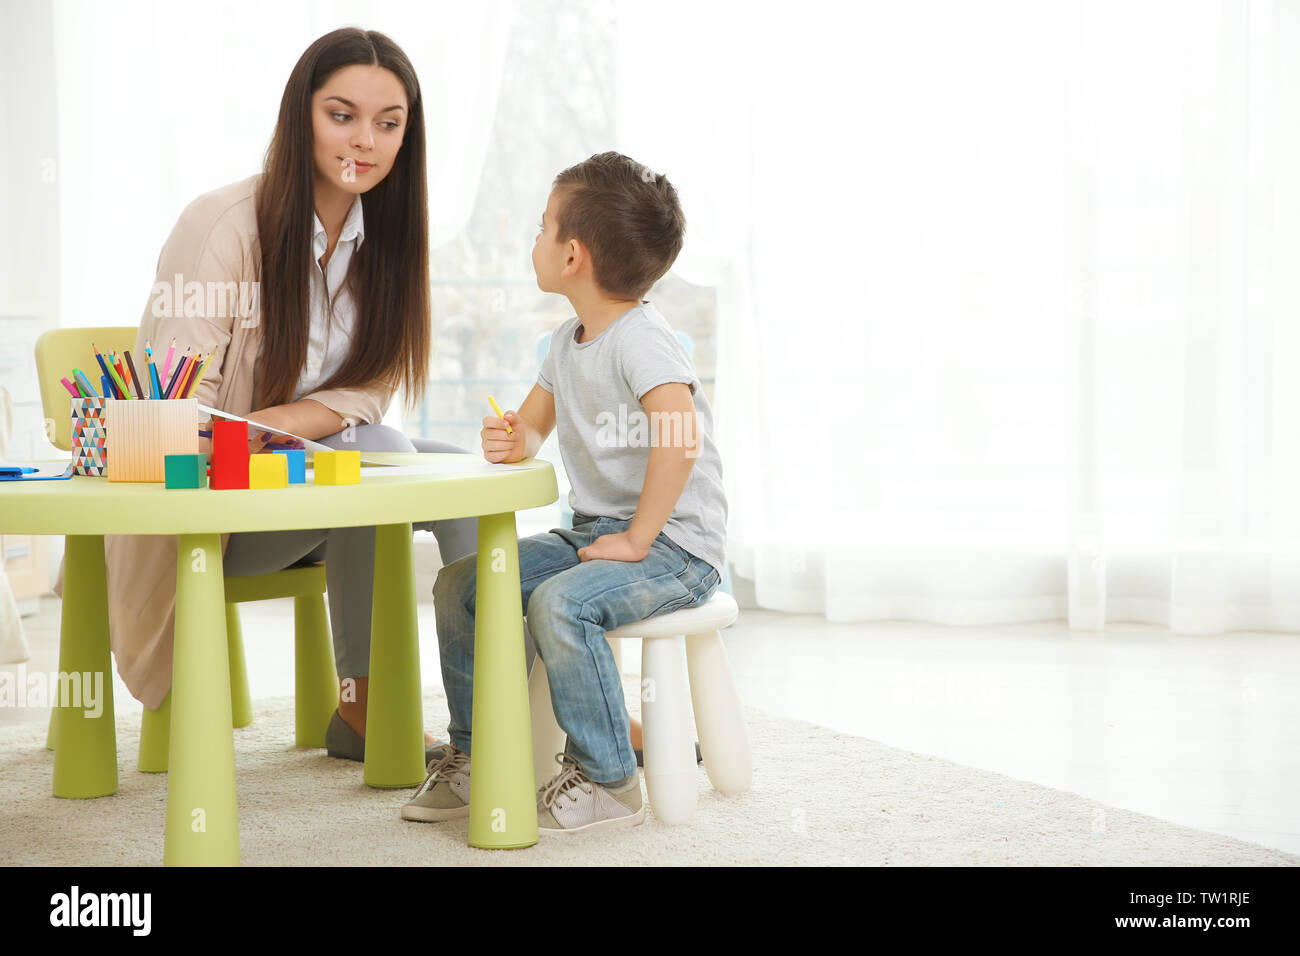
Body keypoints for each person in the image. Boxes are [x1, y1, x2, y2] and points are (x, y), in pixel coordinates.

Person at [104, 28, 474, 762]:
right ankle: (366, 705)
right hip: (214, 509)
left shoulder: (388, 236)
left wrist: (286, 424)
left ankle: (508, 710)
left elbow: (372, 385)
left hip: (312, 479)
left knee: (462, 481)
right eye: (342, 114)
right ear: (300, 115)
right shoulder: (221, 227)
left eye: (389, 123)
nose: (365, 140)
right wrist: (269, 438)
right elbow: (161, 422)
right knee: (372, 456)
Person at [403, 152, 727, 834]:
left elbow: (679, 439)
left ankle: (609, 777)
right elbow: (530, 431)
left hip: (672, 547)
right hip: (594, 531)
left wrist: (638, 540)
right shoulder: (564, 343)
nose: (536, 239)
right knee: (459, 586)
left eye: (543, 226)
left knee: (560, 605)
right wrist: (511, 439)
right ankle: (472, 754)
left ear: (573, 255)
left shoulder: (645, 341)